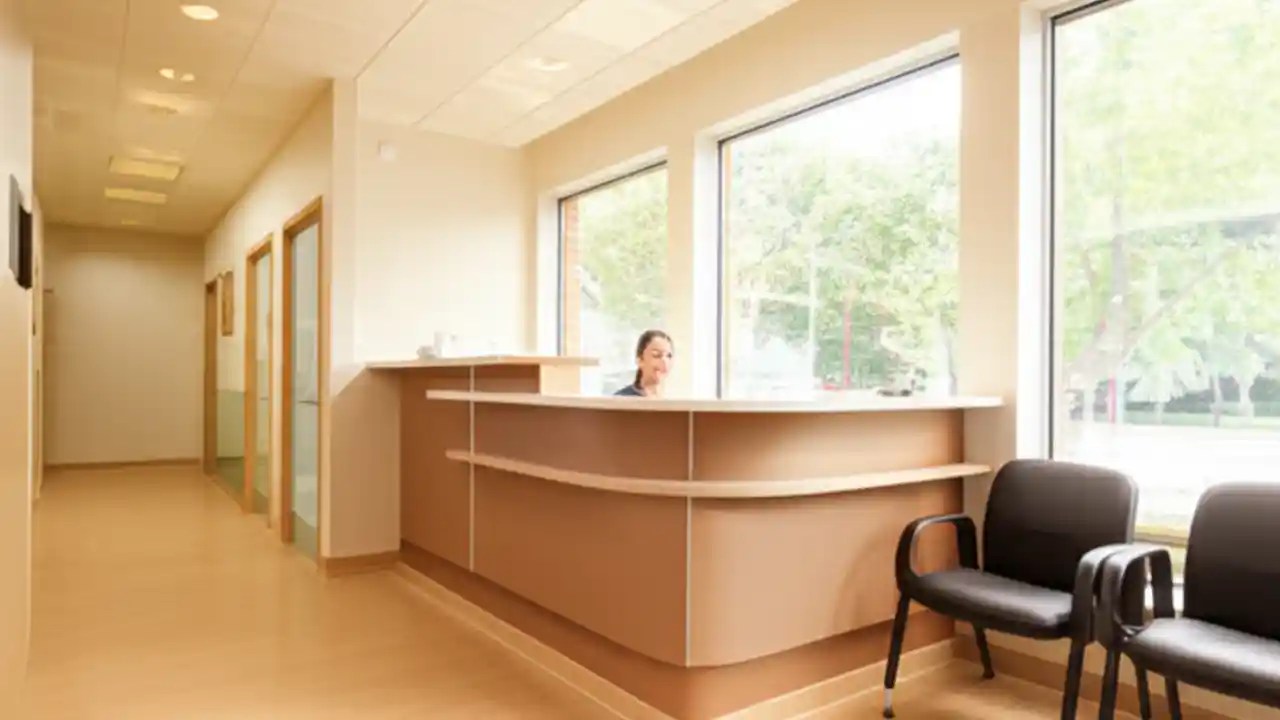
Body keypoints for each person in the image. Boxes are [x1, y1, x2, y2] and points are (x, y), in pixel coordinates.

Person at [615, 330, 673, 397]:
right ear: (640, 360)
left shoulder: (674, 402)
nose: (664, 361)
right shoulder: (621, 399)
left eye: (669, 356)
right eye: (656, 355)